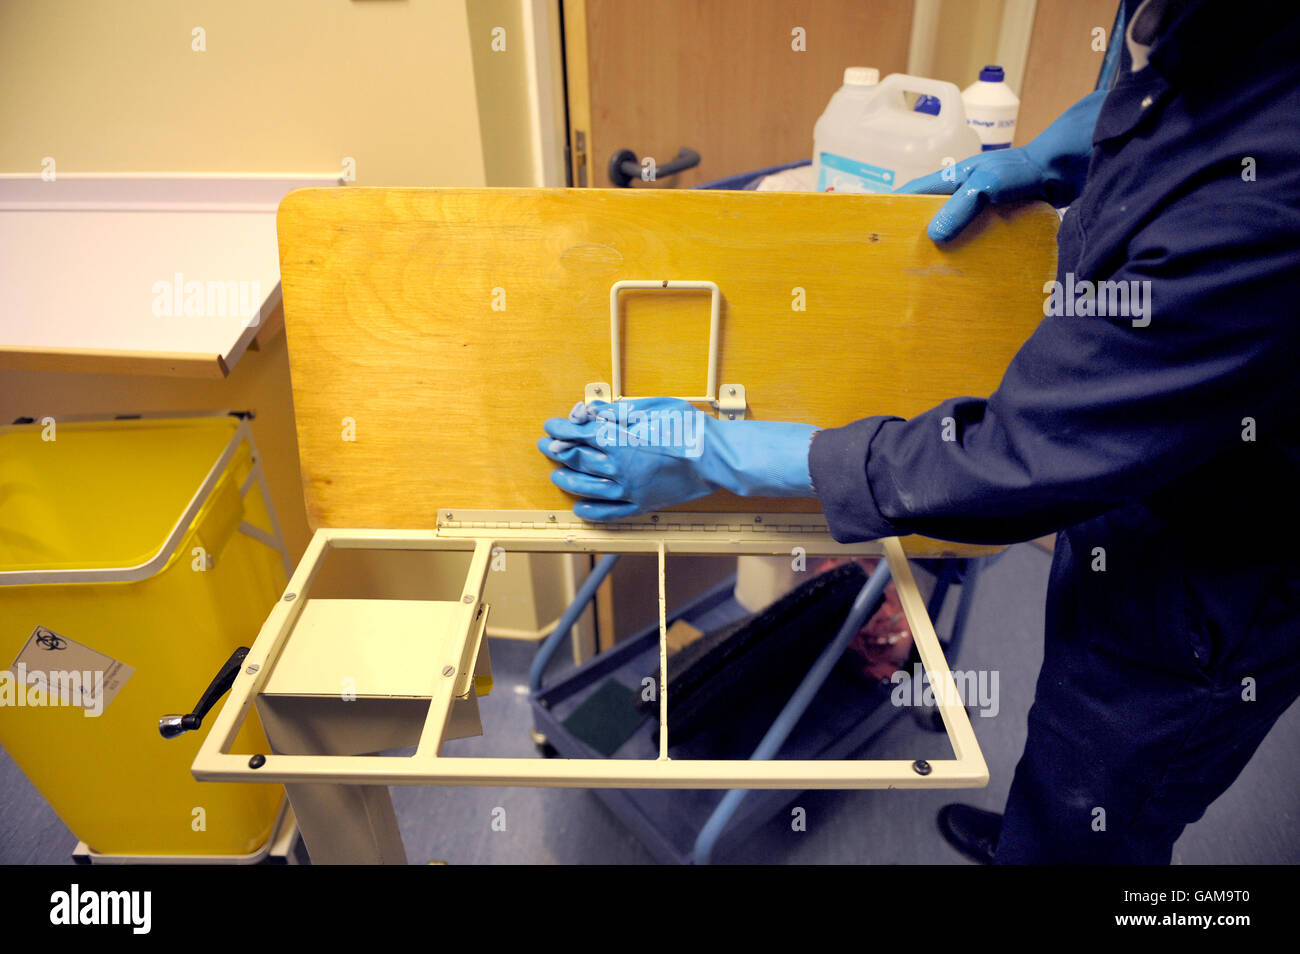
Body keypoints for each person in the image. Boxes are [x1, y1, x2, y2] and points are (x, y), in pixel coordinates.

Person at [538, 0, 1300, 863]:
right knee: (1068, 746)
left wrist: (724, 453)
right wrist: (1055, 155)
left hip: (1222, 574)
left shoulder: (1273, 197)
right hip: (1141, 498)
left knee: (1108, 796)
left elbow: (1023, 458)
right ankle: (1041, 825)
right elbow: (1163, 94)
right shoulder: (1206, 38)